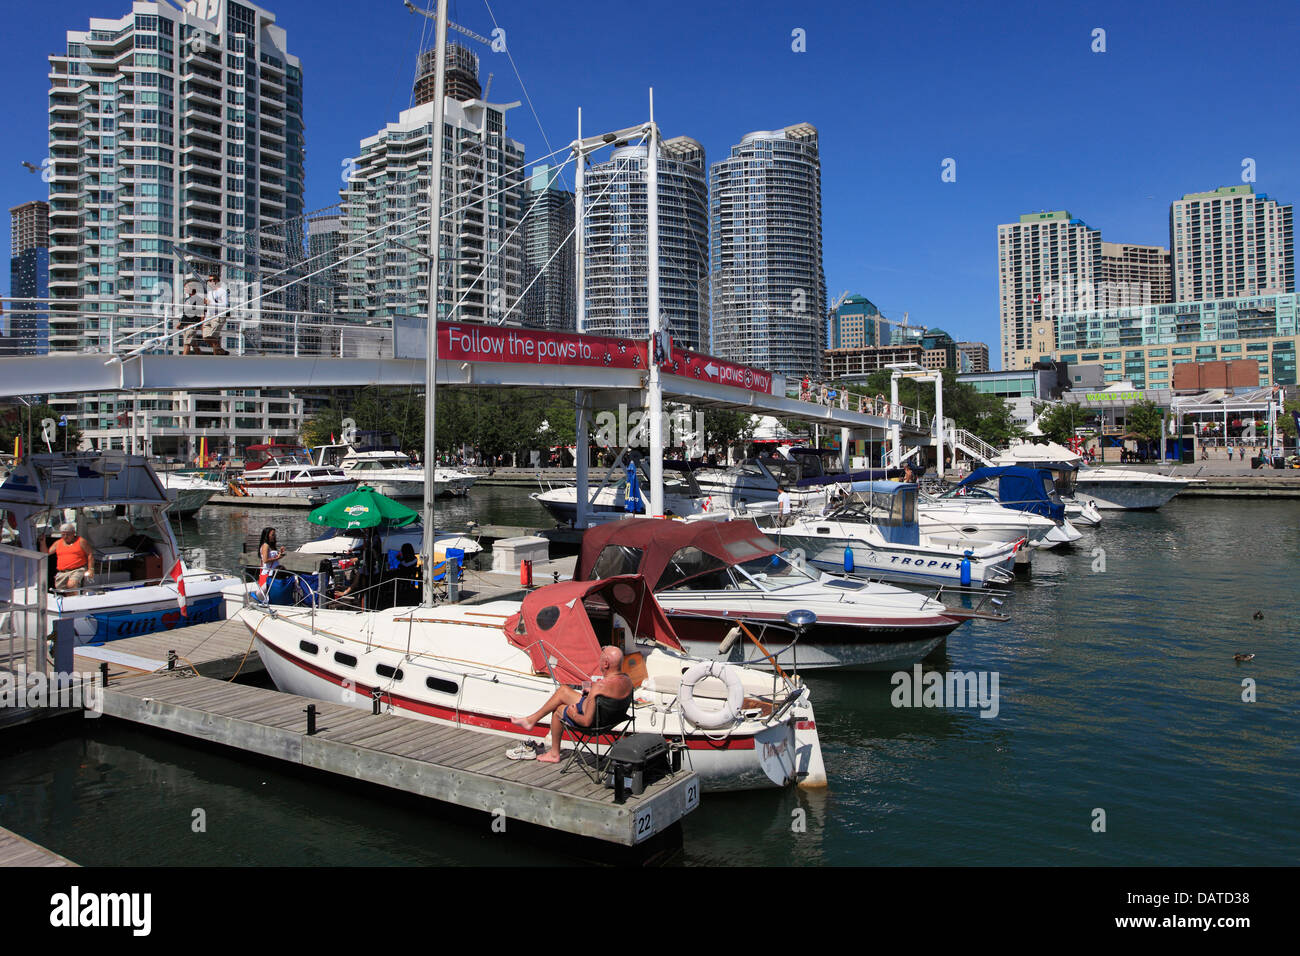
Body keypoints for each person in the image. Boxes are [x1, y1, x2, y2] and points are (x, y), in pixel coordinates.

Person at [511, 646, 634, 763]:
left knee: (558, 709)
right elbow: (609, 692)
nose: (599, 660)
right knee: (563, 690)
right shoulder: (627, 680)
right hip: (610, 719)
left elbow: (586, 722)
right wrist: (591, 693)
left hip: (595, 723)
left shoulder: (600, 687)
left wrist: (573, 714)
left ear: (606, 664)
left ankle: (554, 754)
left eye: (600, 657)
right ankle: (531, 720)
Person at [44, 522, 94, 590]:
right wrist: (42, 542)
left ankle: (75, 598)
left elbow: (90, 554)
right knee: (62, 590)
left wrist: (91, 569)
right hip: (62, 572)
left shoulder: (81, 541)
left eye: (68, 534)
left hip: (77, 569)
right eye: (63, 535)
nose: (65, 537)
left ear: (73, 533)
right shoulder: (58, 543)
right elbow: (46, 553)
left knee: (71, 585)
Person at [202, 270, 230, 355]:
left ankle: (216, 356)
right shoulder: (210, 292)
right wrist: (205, 318)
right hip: (209, 316)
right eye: (209, 280)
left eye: (212, 280)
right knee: (205, 337)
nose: (210, 282)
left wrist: (211, 303)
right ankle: (221, 351)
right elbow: (209, 306)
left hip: (219, 316)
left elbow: (225, 304)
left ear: (217, 281)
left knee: (213, 337)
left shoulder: (222, 291)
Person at [257, 527, 282, 592]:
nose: (274, 536)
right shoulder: (265, 545)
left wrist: (280, 553)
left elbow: (272, 557)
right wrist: (277, 558)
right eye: (272, 535)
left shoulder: (271, 545)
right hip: (268, 573)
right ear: (267, 535)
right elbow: (265, 560)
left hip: (273, 573)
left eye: (274, 535)